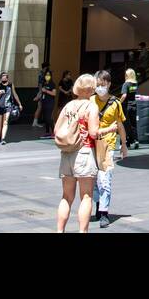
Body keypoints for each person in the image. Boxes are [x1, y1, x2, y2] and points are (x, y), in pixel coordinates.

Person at [55, 73, 101, 233]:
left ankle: (60, 231)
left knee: (66, 197)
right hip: (84, 152)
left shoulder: (68, 106)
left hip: (66, 153)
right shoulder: (91, 107)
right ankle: (83, 231)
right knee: (86, 196)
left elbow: (57, 129)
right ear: (92, 89)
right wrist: (110, 129)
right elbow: (94, 133)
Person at [91, 70, 129, 228]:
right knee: (93, 180)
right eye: (98, 84)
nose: (100, 87)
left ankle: (104, 213)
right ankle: (99, 206)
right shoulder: (90, 101)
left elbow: (120, 125)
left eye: (103, 84)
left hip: (108, 144)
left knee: (105, 180)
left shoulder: (115, 103)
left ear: (109, 84)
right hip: (91, 145)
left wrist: (124, 144)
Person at [0, 71, 21, 145]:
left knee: (5, 122)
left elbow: (15, 94)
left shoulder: (11, 85)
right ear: (0, 78)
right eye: (3, 77)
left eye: (6, 77)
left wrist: (20, 104)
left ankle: (3, 138)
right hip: (0, 106)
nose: (5, 78)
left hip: (8, 106)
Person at [120, 68, 140, 149]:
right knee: (133, 124)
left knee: (126, 125)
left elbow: (124, 95)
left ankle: (127, 142)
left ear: (127, 75)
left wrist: (119, 102)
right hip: (134, 106)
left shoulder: (126, 84)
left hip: (127, 106)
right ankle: (136, 140)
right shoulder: (135, 84)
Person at [36, 68, 58, 138]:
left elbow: (54, 93)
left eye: (48, 75)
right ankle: (47, 132)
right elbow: (41, 92)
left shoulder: (52, 84)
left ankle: (54, 132)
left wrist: (46, 91)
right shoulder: (43, 83)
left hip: (50, 102)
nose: (47, 76)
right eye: (46, 75)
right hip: (44, 102)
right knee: (45, 118)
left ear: (51, 76)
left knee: (48, 117)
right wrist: (38, 97)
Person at [33, 64, 52, 129]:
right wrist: (39, 94)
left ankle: (35, 122)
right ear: (45, 67)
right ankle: (35, 122)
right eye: (47, 68)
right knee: (39, 107)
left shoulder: (42, 74)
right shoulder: (41, 74)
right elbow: (40, 85)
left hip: (42, 92)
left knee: (40, 107)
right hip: (41, 92)